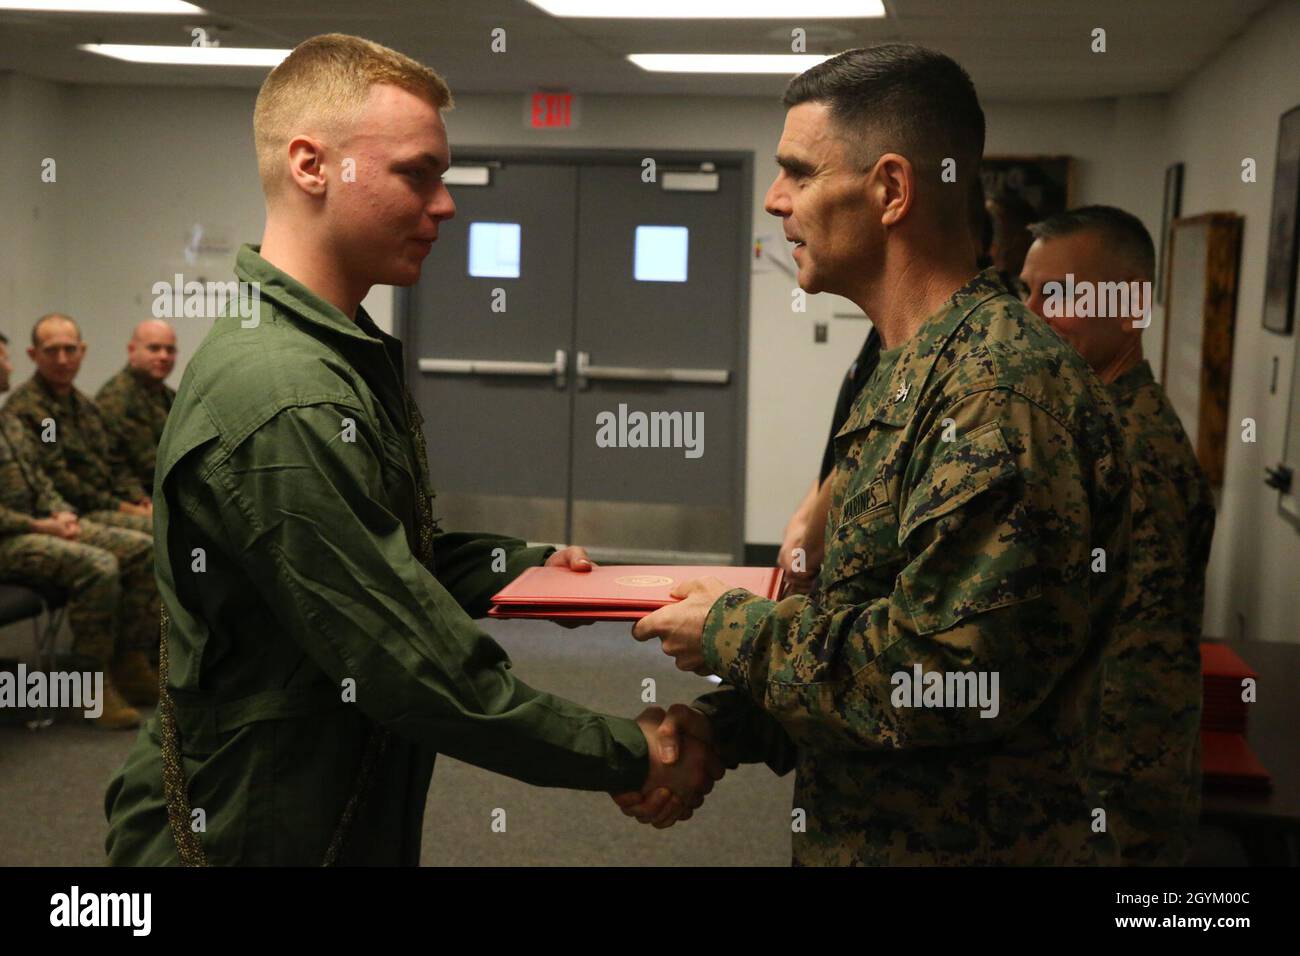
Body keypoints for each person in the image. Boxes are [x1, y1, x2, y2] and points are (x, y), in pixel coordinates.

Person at [103, 33, 720, 867]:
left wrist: (524, 570)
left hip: (317, 796)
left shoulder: (328, 349)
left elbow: (378, 557)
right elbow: (406, 660)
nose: (445, 205)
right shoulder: (285, 393)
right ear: (312, 166)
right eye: (416, 174)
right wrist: (627, 752)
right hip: (255, 823)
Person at [619, 44, 1132, 866]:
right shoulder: (908, 365)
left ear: (891, 189)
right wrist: (725, 723)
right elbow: (862, 623)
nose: (774, 200)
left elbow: (937, 679)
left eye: (799, 171)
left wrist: (731, 631)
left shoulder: (999, 394)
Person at [1021, 204, 1214, 865]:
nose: (1036, 314)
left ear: (1132, 306)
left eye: (1063, 295)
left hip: (1113, 802)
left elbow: (1139, 679)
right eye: (1029, 291)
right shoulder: (1095, 421)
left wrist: (1109, 830)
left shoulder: (1133, 453)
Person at [0, 333, 157, 726]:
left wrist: (58, 515)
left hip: (44, 524)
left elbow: (42, 482)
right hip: (11, 537)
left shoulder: (8, 420)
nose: (9, 367)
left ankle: (129, 658)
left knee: (144, 549)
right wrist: (42, 523)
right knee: (98, 566)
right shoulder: (26, 410)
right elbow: (60, 477)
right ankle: (88, 681)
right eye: (2, 360)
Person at [3, 314, 152, 534]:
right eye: (52, 351)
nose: (62, 360)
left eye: (70, 349)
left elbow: (113, 461)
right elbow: (58, 477)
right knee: (156, 536)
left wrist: (138, 498)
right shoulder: (35, 412)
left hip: (103, 504)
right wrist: (122, 507)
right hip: (72, 511)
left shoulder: (87, 406)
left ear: (82, 351)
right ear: (33, 355)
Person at [96, 320, 178, 494]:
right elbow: (112, 462)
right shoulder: (116, 397)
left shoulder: (171, 398)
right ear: (132, 351)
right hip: (133, 496)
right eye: (154, 348)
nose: (164, 356)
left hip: (168, 490)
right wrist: (138, 499)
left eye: (170, 350)